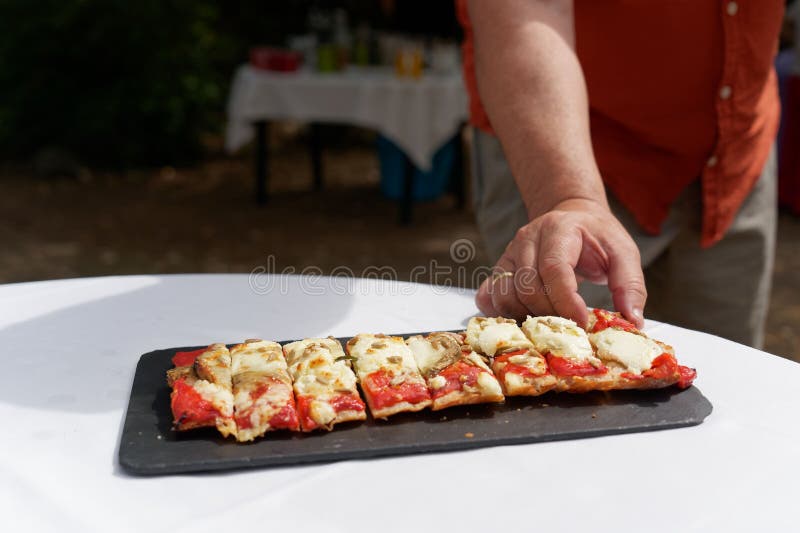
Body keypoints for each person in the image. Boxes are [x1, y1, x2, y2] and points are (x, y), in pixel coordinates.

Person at [458, 0, 784, 348]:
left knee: (725, 381)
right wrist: (570, 198)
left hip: (735, 159)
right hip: (567, 157)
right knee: (552, 376)